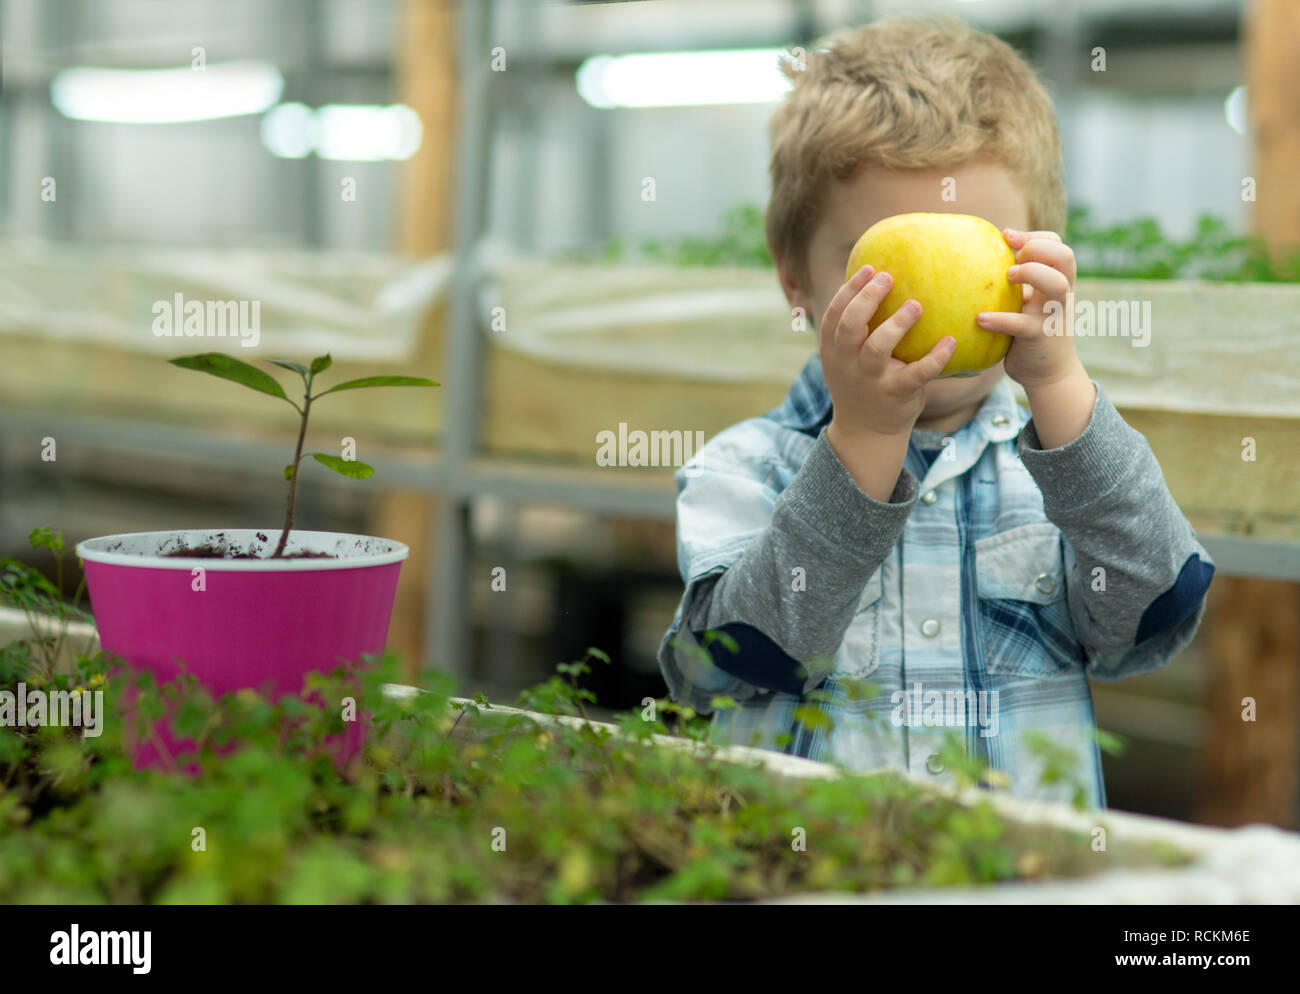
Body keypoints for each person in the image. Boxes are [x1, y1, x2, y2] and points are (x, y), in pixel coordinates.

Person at [656, 14, 1215, 807]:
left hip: (1015, 878)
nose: (925, 306)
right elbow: (731, 664)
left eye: (986, 248)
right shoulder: (744, 468)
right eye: (874, 268)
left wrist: (1057, 383)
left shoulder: (1067, 462)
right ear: (796, 285)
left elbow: (1152, 619)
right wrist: (867, 436)